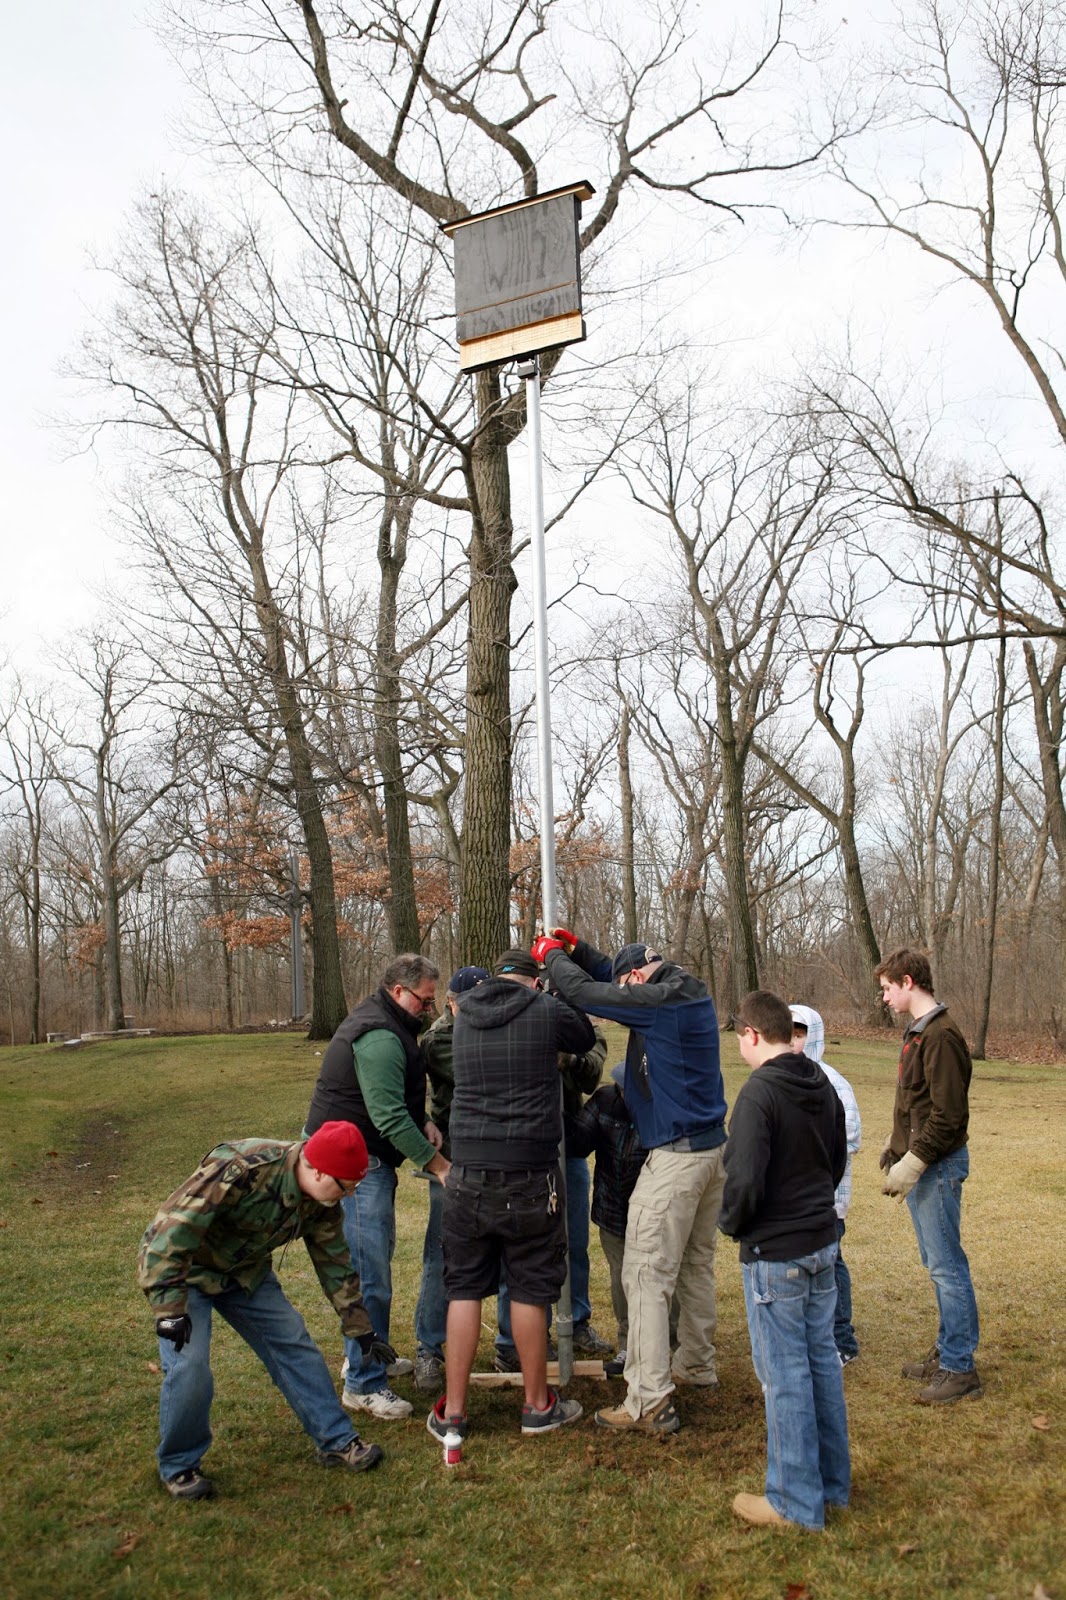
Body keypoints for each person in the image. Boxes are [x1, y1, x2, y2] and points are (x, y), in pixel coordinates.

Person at [530, 930, 727, 1437]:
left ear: (638, 978)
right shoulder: (678, 987)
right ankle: (696, 1364)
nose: (624, 991)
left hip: (677, 1157)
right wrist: (578, 952)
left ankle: (648, 1398)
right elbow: (606, 979)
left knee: (644, 1274)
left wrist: (551, 958)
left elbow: (593, 994)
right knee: (694, 1265)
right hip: (708, 1152)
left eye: (626, 983)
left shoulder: (661, 1000)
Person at [137, 1121, 384, 1500]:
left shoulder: (324, 1199)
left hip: (244, 1274)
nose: (348, 1195)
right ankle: (180, 1466)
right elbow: (170, 1236)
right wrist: (170, 1310)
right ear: (318, 1170)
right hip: (186, 1273)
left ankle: (336, 1440)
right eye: (345, 1186)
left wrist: (359, 1326)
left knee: (295, 1344)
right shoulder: (243, 1168)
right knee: (189, 1366)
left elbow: (335, 1263)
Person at [427, 949, 594, 1443]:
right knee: (530, 1286)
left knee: (462, 1288)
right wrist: (560, 979)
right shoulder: (544, 1010)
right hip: (530, 1172)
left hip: (468, 1171)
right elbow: (583, 1035)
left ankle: (453, 1412)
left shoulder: (463, 1016)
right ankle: (537, 1405)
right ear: (535, 982)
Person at [719, 989, 850, 1531]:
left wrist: (732, 1224)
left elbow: (743, 1180)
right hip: (821, 1244)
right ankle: (831, 1487)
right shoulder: (821, 1081)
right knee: (821, 1364)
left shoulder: (758, 1094)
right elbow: (836, 1157)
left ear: (752, 1034)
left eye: (739, 1036)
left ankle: (795, 1502)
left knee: (788, 1374)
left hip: (779, 1253)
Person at [305, 953, 449, 1421]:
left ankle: (372, 1353)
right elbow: (386, 1116)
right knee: (369, 1275)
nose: (429, 1010)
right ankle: (364, 1383)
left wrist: (423, 1120)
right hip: (353, 1163)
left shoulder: (393, 1026)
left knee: (375, 1259)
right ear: (397, 992)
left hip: (365, 1159)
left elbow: (396, 1097)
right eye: (425, 1001)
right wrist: (438, 1164)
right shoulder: (381, 1035)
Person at [877, 947, 982, 1403]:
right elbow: (916, 1105)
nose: (883, 997)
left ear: (907, 982)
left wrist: (914, 1161)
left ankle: (961, 1368)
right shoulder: (918, 1033)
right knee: (936, 1266)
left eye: (886, 988)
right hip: (926, 1165)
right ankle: (947, 1352)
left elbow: (949, 1116)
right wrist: (894, 1146)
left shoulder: (941, 1036)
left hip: (937, 1168)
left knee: (947, 1268)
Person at [494, 1022, 612, 1372]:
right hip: (522, 1150)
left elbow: (592, 1069)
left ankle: (576, 1322)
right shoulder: (513, 1016)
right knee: (518, 1245)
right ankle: (513, 1339)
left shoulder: (581, 1024)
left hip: (569, 1144)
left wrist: (569, 1059)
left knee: (574, 1241)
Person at [413, 964, 491, 1392]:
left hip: (490, 1153)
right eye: (469, 1004)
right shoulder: (440, 1038)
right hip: (453, 1157)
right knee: (441, 1251)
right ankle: (429, 1348)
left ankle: (511, 1342)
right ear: (451, 1003)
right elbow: (480, 1075)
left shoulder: (484, 1031)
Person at [564, 1064, 656, 1378]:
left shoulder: (665, 1110)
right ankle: (628, 1347)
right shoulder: (604, 1102)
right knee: (622, 1282)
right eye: (622, 1086)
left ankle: (666, 1348)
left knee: (659, 1282)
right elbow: (576, 1140)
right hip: (613, 1214)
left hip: (655, 1213)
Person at [790, 1005, 862, 1365]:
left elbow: (850, 1135)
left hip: (828, 1195)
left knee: (832, 1264)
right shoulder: (783, 1076)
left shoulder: (832, 1081)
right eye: (788, 1034)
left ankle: (842, 1339)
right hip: (797, 1197)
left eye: (800, 1034)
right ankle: (814, 1336)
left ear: (813, 1037)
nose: (793, 1042)